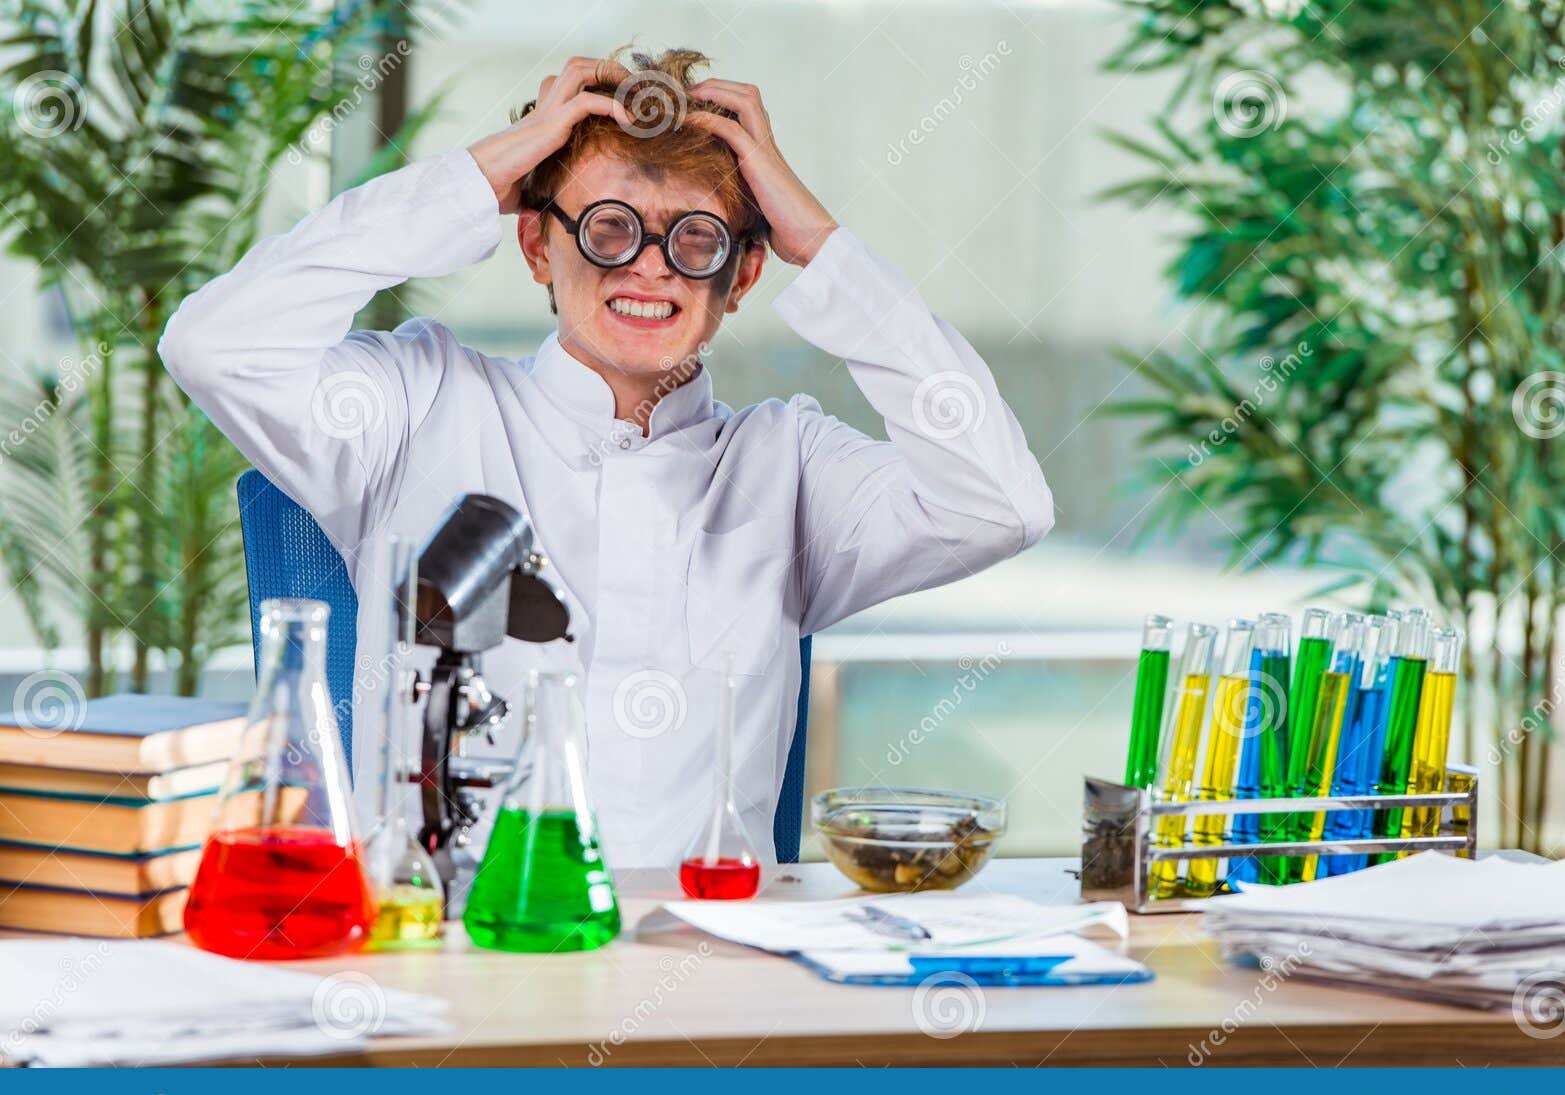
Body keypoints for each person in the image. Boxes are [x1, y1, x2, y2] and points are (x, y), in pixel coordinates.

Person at [160, 48, 1054, 868]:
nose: (649, 268)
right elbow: (213, 345)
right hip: (446, 964)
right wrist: (476, 179)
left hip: (709, 981)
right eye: (608, 227)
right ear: (537, 244)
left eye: (697, 239)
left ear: (742, 277)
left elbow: (1001, 506)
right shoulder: (415, 407)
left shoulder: (787, 465)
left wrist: (820, 247)